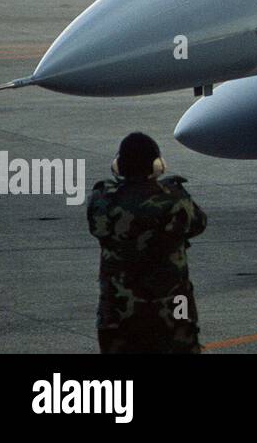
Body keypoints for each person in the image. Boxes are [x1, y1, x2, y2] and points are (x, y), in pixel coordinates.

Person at [87, 132, 206, 353]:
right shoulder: (175, 198)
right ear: (157, 165)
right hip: (173, 307)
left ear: (118, 166)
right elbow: (198, 224)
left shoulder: (102, 200)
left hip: (119, 308)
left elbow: (97, 227)